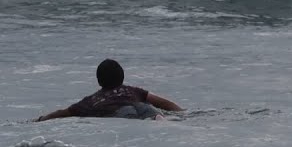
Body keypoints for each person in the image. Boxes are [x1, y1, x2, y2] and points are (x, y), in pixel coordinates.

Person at [34, 59, 184, 121]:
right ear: (122, 76)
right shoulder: (132, 91)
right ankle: (159, 119)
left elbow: (61, 113)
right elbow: (165, 103)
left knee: (133, 120)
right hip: (143, 107)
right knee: (154, 116)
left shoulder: (91, 101)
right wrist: (183, 113)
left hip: (121, 113)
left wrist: (41, 119)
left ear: (99, 81)